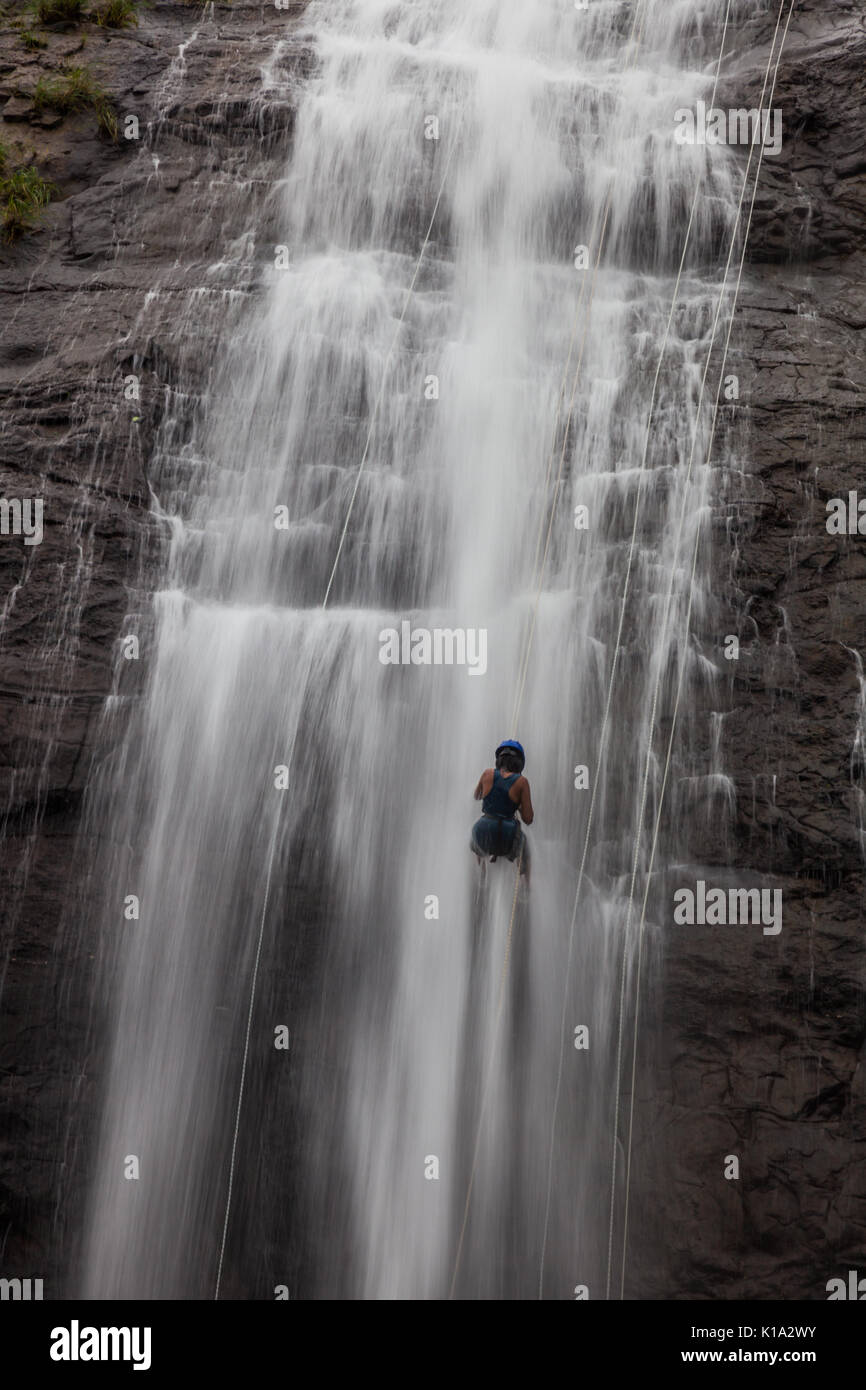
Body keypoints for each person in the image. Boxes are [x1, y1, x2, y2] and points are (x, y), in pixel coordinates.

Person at [470, 739, 534, 880]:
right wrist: (517, 803)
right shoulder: (522, 782)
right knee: (525, 849)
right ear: (520, 762)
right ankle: (525, 886)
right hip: (507, 835)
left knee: (475, 837)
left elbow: (477, 796)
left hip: (484, 830)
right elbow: (528, 819)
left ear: (499, 759)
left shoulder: (487, 774)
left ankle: (482, 873)